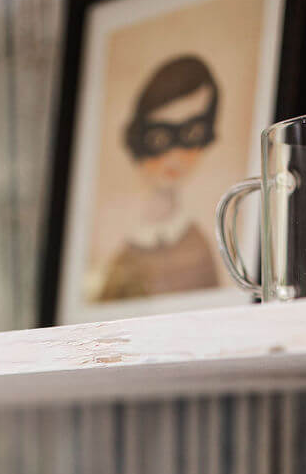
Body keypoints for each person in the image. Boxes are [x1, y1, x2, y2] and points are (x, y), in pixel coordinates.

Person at [94, 54, 221, 302]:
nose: (175, 155)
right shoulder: (120, 255)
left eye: (192, 132)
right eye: (160, 138)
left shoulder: (198, 247)